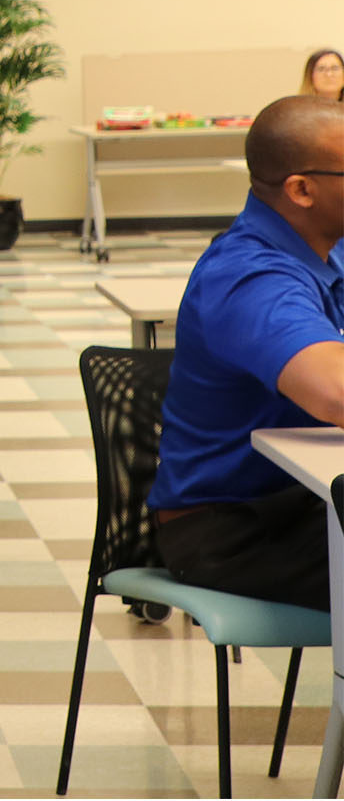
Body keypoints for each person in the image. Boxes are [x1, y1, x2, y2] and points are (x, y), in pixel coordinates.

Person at [149, 95, 344, 610]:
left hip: (308, 499)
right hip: (233, 529)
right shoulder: (249, 275)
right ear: (302, 190)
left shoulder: (327, 247)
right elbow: (335, 393)